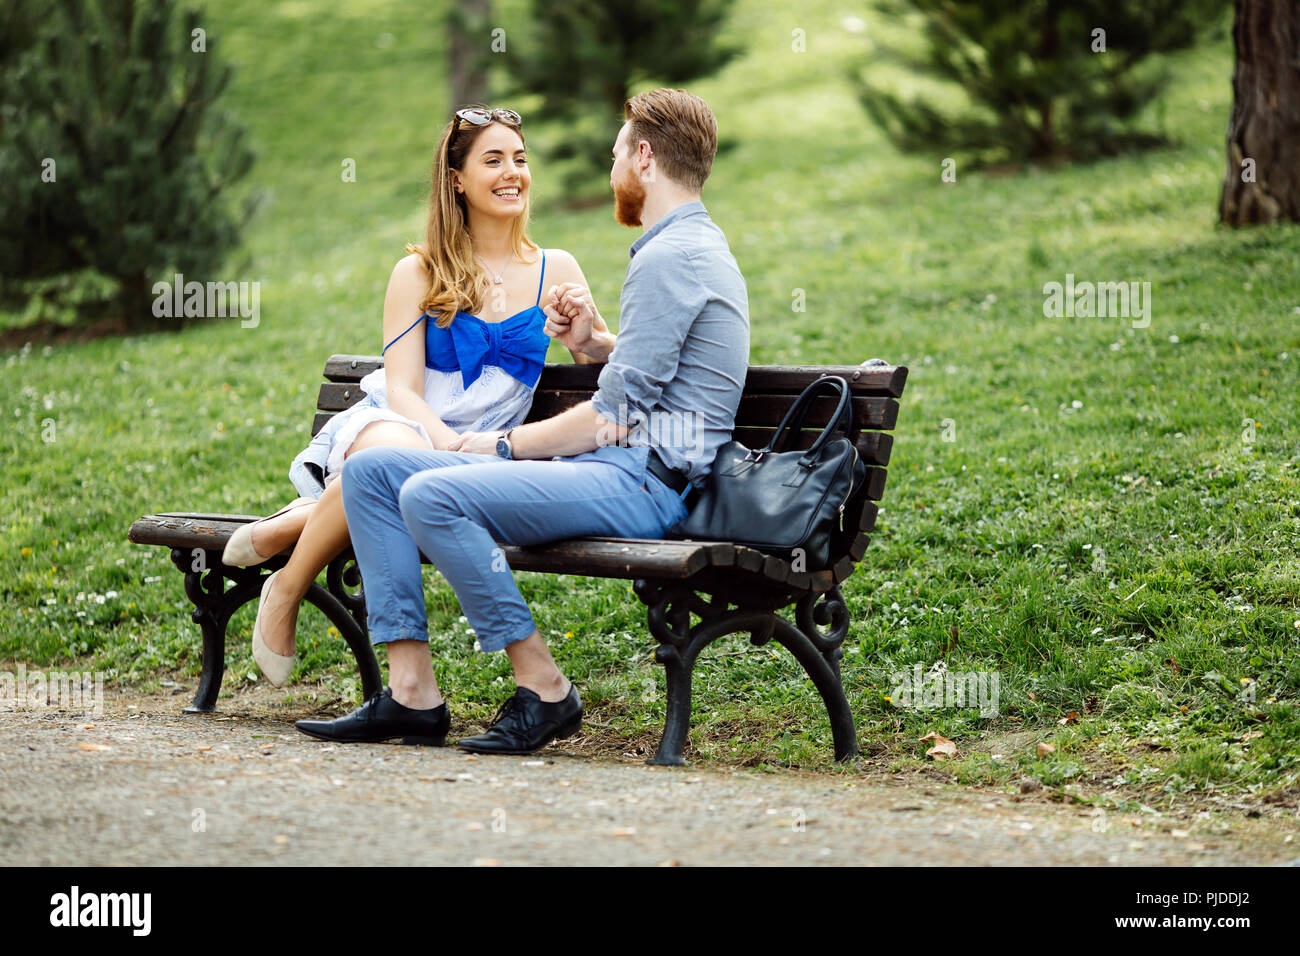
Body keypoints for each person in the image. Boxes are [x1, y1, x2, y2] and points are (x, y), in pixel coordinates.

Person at [295, 88, 750, 754]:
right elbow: (658, 374)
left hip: (647, 481)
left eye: (618, 151)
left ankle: (545, 687)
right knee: (370, 473)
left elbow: (611, 420)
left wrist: (503, 445)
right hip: (621, 466)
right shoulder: (680, 248)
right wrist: (594, 347)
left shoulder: (669, 258)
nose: (613, 165)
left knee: (430, 493)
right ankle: (412, 695)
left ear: (644, 157)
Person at [223, 106, 608, 686]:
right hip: (404, 421)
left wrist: (590, 333)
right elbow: (400, 387)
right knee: (381, 463)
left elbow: (601, 363)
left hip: (483, 451)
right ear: (456, 178)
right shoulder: (418, 271)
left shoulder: (558, 266)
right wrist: (450, 445)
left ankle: (293, 525)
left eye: (521, 160)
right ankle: (288, 588)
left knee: (391, 482)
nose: (513, 173)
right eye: (494, 160)